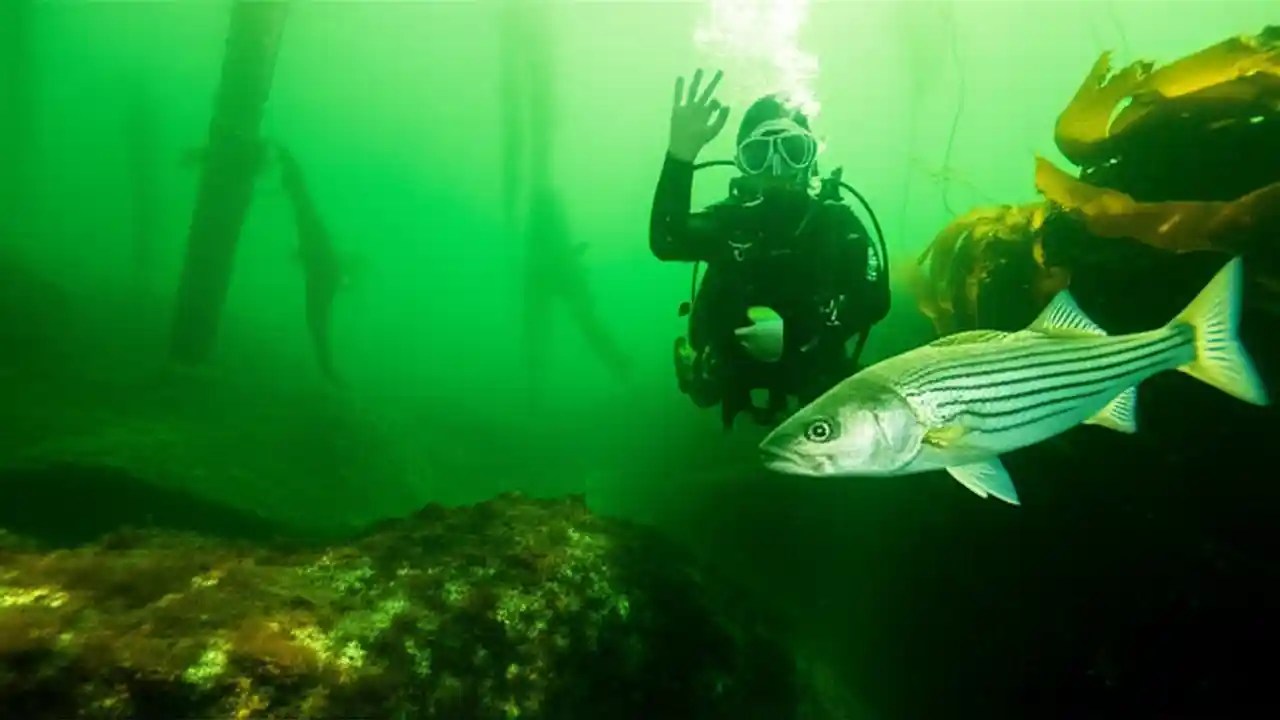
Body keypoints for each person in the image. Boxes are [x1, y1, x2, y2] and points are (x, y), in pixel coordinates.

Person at [649, 69, 890, 429]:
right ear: (744, 165)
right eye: (760, 154)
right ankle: (696, 365)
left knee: (838, 394)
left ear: (811, 158)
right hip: (733, 358)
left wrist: (798, 332)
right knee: (705, 390)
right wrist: (680, 155)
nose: (776, 169)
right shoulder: (731, 222)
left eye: (792, 151)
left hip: (811, 355)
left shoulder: (835, 223)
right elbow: (667, 240)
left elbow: (875, 300)